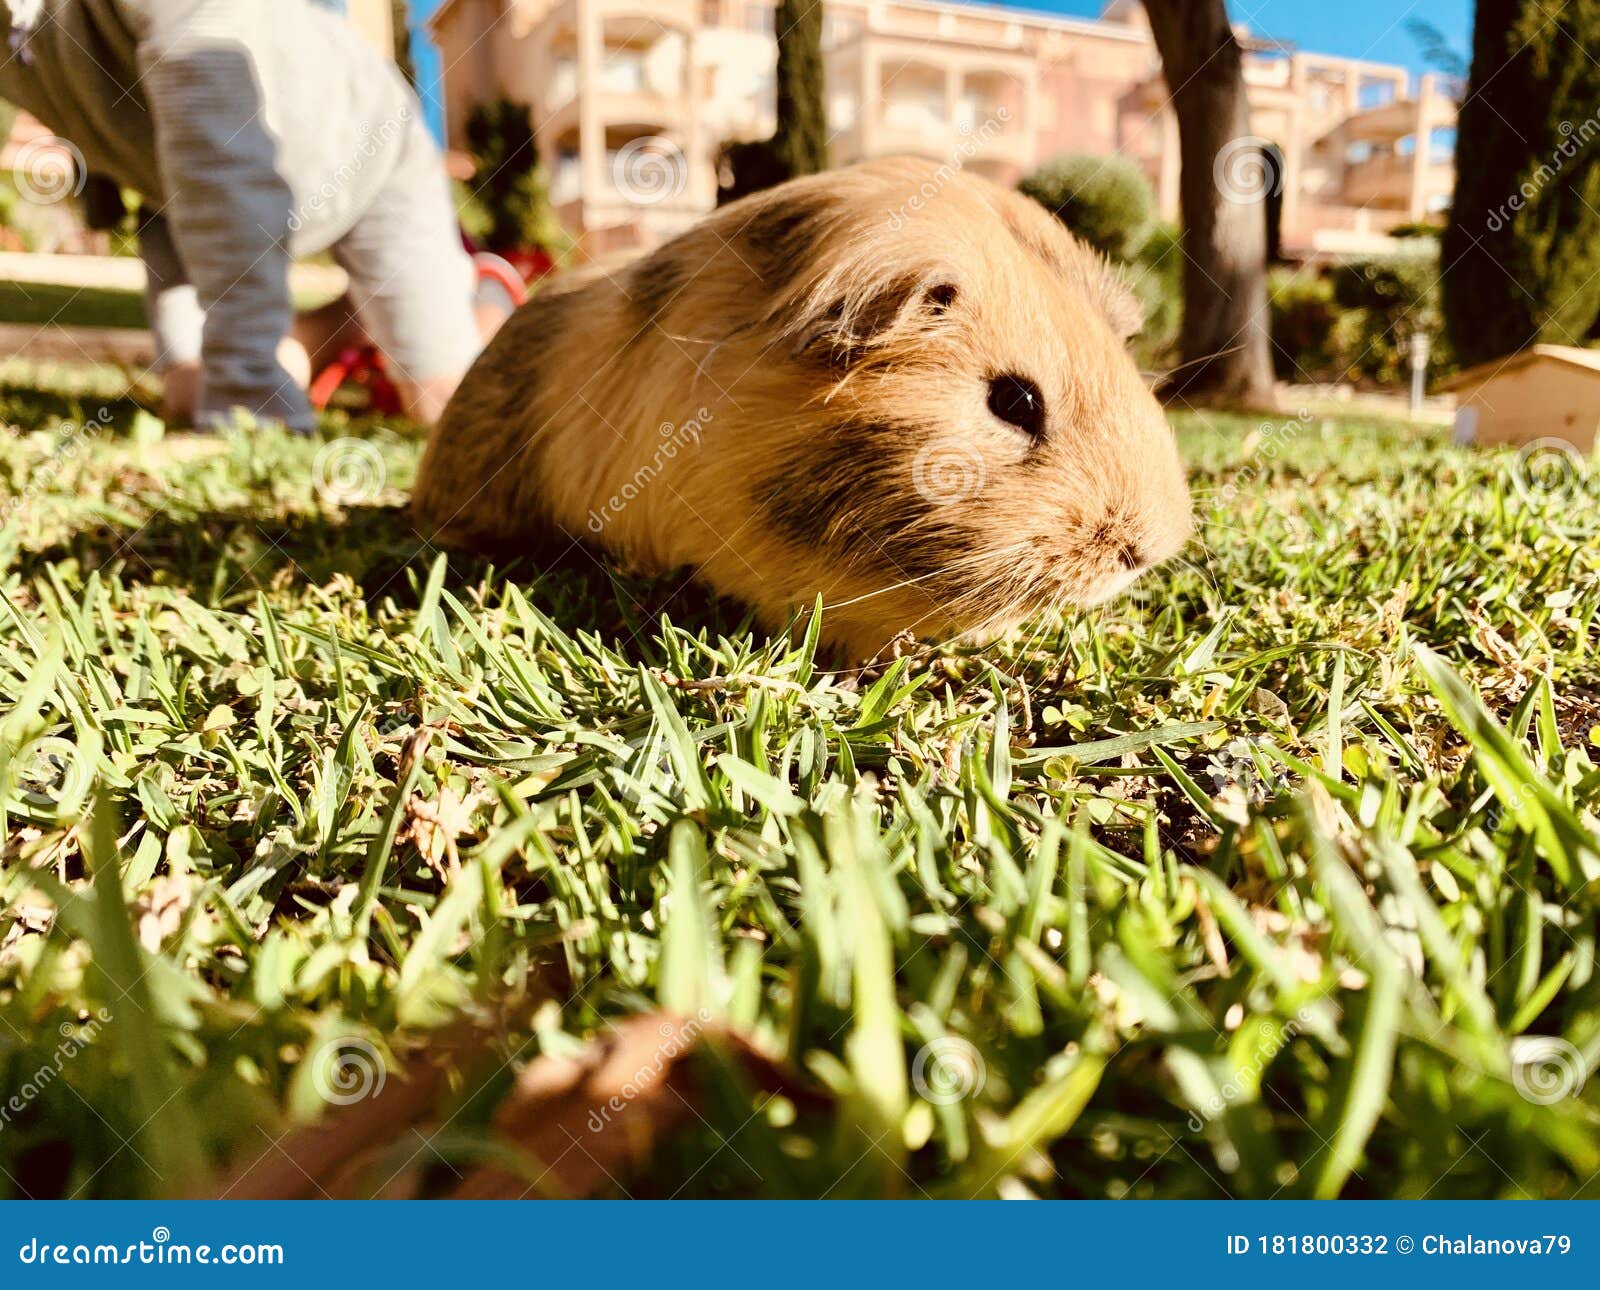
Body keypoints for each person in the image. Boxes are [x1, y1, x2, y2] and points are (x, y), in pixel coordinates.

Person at [0, 0, 501, 430]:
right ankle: (352, 319)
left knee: (444, 404)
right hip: (174, 193)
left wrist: (250, 385)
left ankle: (491, 294)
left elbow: (226, 159)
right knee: (188, 395)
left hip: (369, 154)